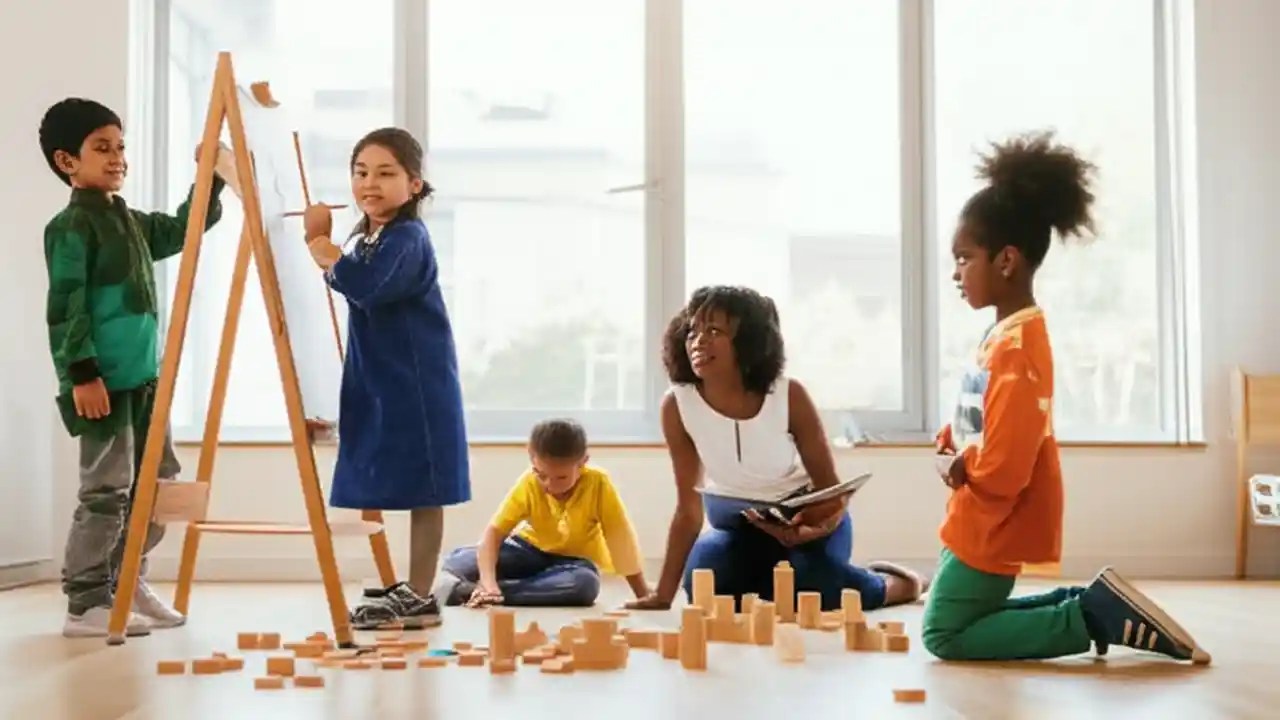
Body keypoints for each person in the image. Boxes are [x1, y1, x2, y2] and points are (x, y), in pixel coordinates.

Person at [923, 130, 1210, 664]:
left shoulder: (1018, 349)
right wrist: (951, 447)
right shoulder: (1003, 336)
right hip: (974, 513)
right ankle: (1089, 606)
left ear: (1006, 261)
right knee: (954, 621)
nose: (956, 273)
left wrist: (962, 465)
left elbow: (1005, 466)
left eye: (964, 258)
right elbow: (976, 423)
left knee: (945, 635)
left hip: (991, 519)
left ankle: (1086, 617)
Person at [39, 98, 230, 637]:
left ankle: (127, 580)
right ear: (67, 161)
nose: (118, 157)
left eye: (121, 146)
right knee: (106, 490)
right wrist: (82, 373)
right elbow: (66, 305)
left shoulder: (128, 220)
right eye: (102, 148)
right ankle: (86, 601)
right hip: (102, 384)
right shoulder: (71, 227)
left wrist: (209, 178)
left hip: (147, 383)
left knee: (156, 485)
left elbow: (184, 228)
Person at [627, 285, 924, 612]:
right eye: (693, 330)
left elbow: (831, 491)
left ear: (748, 342)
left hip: (809, 529)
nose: (698, 340)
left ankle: (899, 584)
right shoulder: (677, 405)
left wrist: (812, 529)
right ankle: (777, 580)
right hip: (738, 532)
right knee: (704, 585)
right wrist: (662, 596)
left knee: (813, 585)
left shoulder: (789, 395)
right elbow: (688, 509)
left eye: (714, 330)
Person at [303, 127, 470, 628]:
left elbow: (367, 287)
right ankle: (413, 590)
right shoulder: (374, 235)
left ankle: (420, 594)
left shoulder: (407, 237)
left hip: (416, 381)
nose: (369, 183)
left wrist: (319, 245)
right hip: (387, 378)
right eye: (360, 172)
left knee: (425, 487)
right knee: (407, 480)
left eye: (385, 173)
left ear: (414, 184)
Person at [434, 418, 649, 607]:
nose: (549, 485)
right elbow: (494, 533)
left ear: (583, 462)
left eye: (561, 478)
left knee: (584, 586)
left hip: (573, 563)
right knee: (459, 561)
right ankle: (490, 589)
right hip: (529, 551)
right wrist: (488, 581)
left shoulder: (598, 483)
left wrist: (643, 595)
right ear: (531, 457)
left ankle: (479, 593)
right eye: (541, 474)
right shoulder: (529, 482)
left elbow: (620, 538)